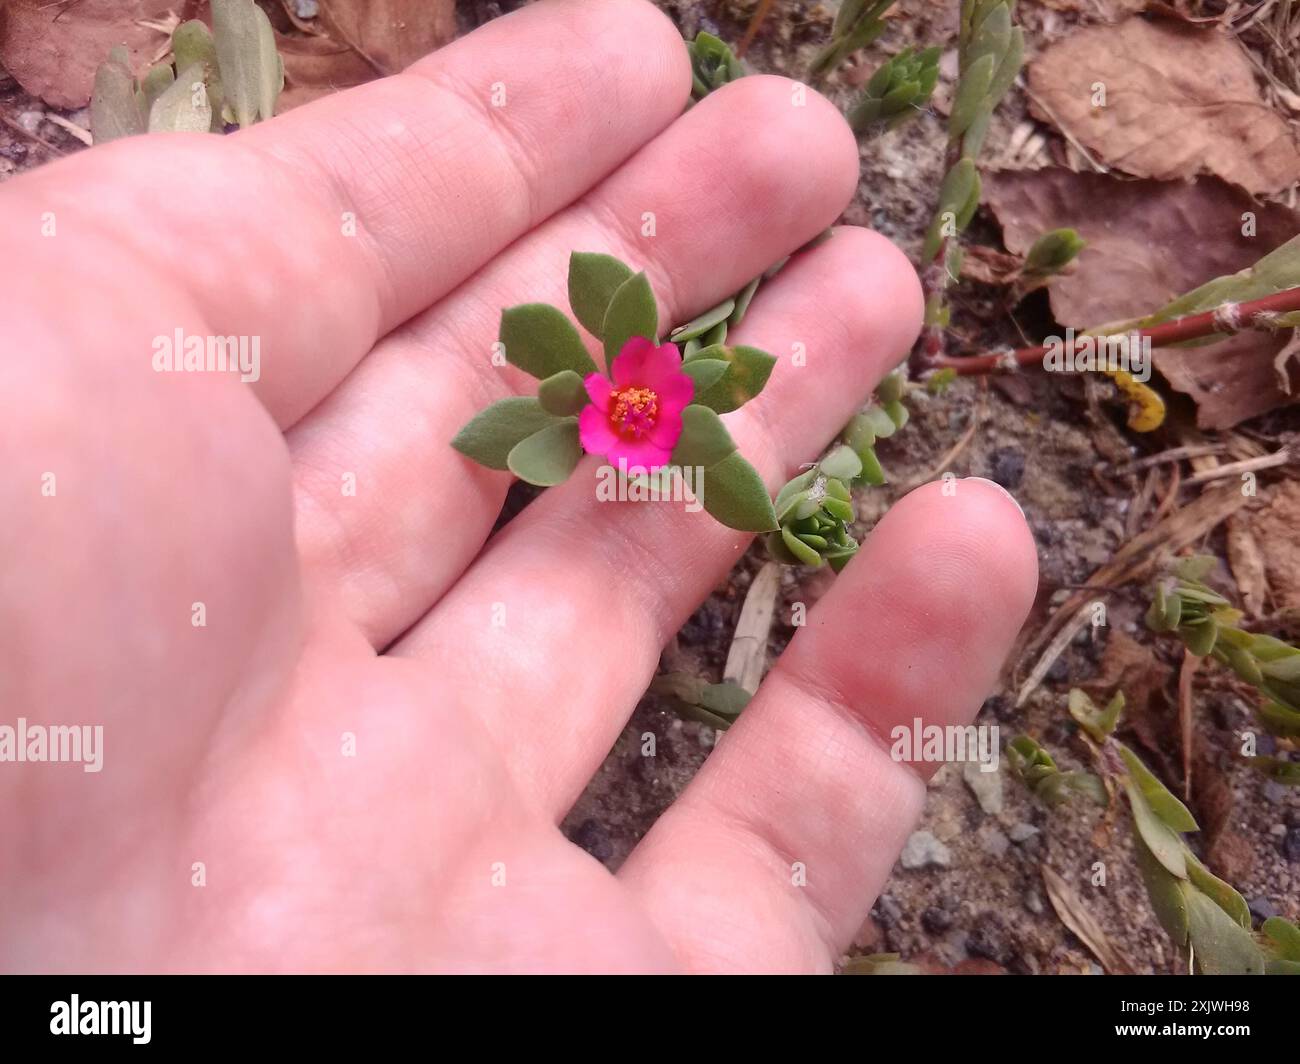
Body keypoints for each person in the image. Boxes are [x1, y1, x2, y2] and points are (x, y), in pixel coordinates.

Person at [0, 0, 1036, 973]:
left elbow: (652, 412)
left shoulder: (657, 401)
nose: (631, 415)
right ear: (606, 397)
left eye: (643, 414)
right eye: (621, 411)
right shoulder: (591, 403)